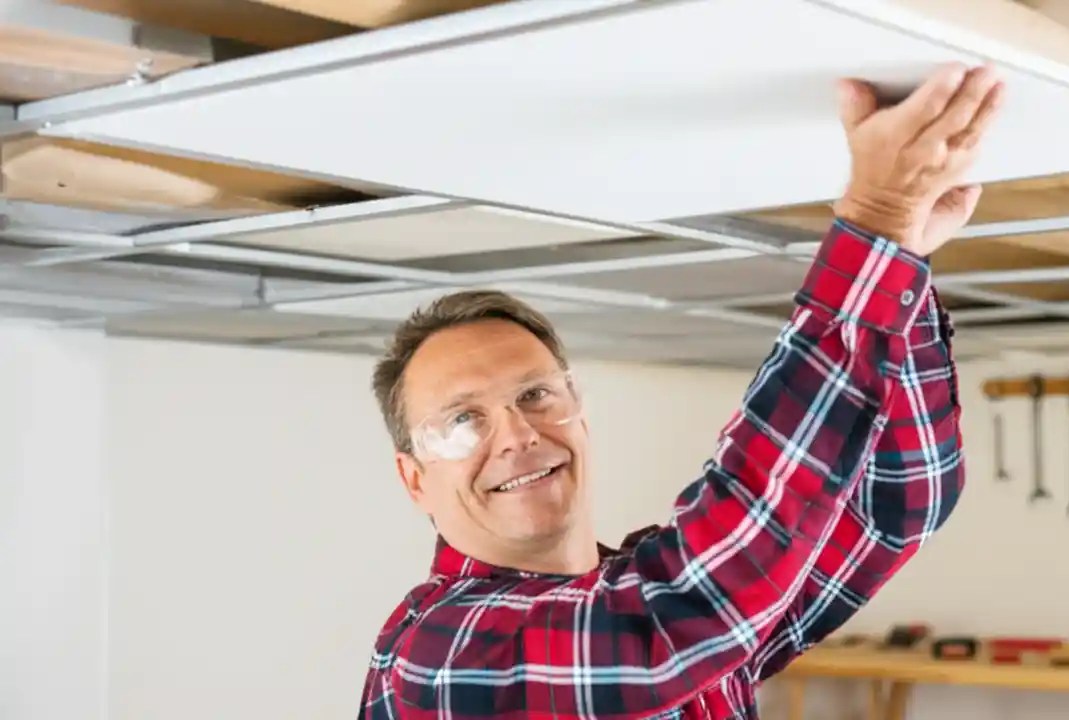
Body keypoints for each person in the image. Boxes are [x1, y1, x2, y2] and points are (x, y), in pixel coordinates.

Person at [359, 62, 1004, 719]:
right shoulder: (438, 652)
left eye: (535, 396)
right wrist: (875, 223)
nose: (518, 435)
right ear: (414, 479)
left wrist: (903, 263)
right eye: (463, 420)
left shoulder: (661, 604)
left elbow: (894, 505)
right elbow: (680, 616)